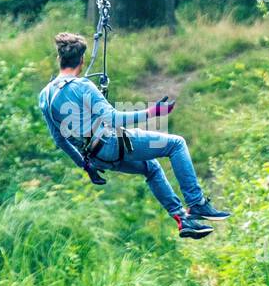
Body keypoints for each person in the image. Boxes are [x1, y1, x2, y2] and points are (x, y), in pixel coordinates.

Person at [38, 31, 230, 240]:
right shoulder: (83, 86)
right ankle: (197, 203)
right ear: (82, 60)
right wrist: (152, 112)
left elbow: (60, 139)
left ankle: (182, 219)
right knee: (176, 144)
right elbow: (112, 118)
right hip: (111, 143)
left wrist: (86, 166)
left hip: (95, 158)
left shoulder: (45, 95)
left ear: (60, 59)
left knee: (152, 168)